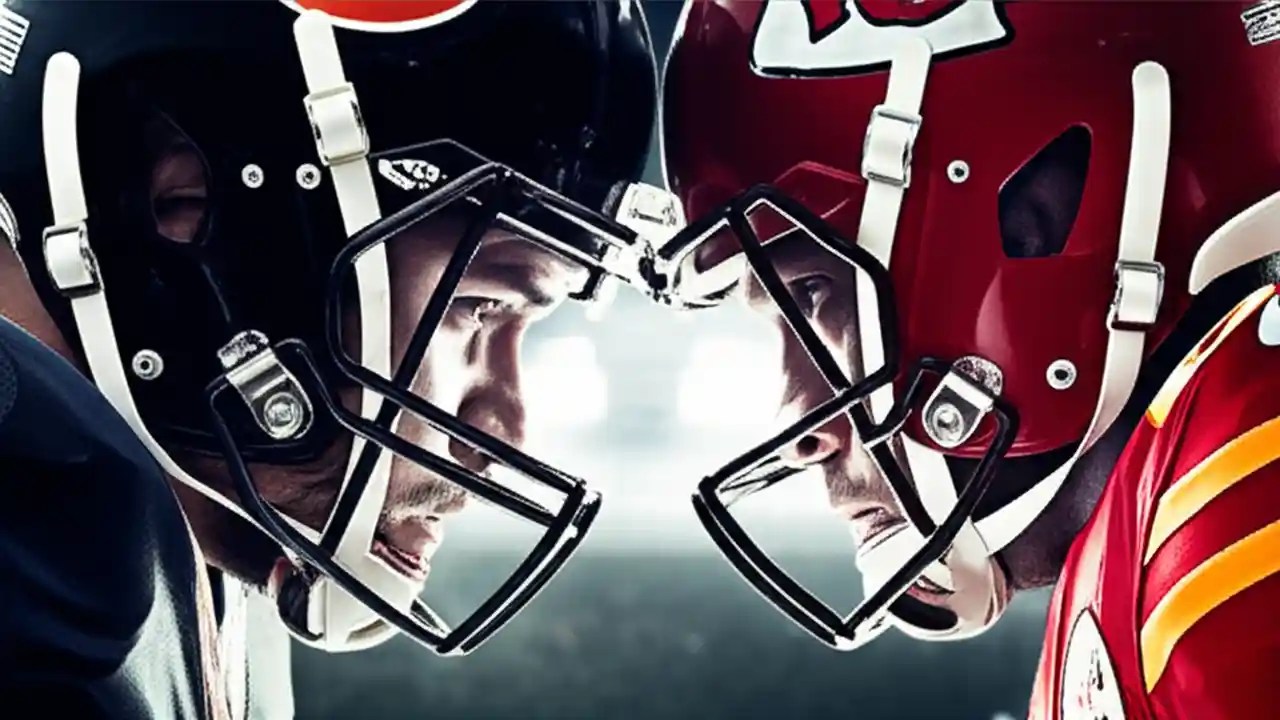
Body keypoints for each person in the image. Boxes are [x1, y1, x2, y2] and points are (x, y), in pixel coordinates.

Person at [0, 0, 672, 717]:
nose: (505, 427)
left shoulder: (199, 549)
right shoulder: (48, 551)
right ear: (189, 213)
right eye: (479, 308)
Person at [657, 1, 1280, 716]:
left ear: (1042, 222)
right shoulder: (1130, 549)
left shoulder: (1241, 500)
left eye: (816, 295)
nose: (801, 425)